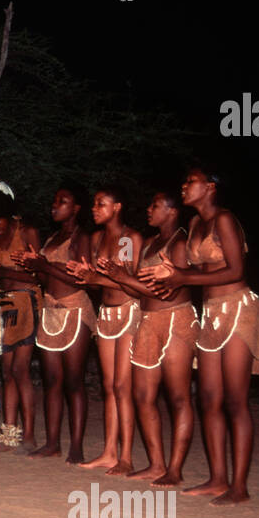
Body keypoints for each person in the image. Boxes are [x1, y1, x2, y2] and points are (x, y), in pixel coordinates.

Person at [141, 169, 259, 504]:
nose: (184, 187)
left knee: (235, 400)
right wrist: (173, 275)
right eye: (183, 182)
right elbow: (199, 274)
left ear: (210, 187)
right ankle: (218, 479)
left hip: (237, 309)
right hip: (212, 313)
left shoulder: (225, 220)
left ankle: (239, 486)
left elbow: (236, 270)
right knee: (208, 399)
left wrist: (181, 275)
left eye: (190, 182)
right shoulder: (197, 225)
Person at [95, 192, 196, 484]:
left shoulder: (179, 243)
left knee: (178, 397)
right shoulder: (152, 243)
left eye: (155, 206)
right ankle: (157, 464)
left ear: (172, 211)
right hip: (148, 320)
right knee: (143, 396)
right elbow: (139, 286)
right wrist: (103, 278)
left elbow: (167, 291)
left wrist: (120, 277)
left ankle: (175, 469)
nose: (149, 209)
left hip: (175, 317)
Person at [13, 185, 95, 463]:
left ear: (76, 208)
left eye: (63, 201)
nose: (55, 205)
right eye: (54, 200)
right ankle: (51, 443)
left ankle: (76, 446)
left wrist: (43, 265)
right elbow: (46, 280)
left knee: (74, 381)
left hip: (74, 310)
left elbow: (80, 278)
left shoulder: (82, 237)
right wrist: (34, 267)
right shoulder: (52, 239)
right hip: (50, 310)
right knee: (52, 381)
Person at [67, 188, 143, 476]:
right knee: (109, 386)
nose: (95, 209)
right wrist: (85, 275)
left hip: (128, 312)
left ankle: (126, 457)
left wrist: (94, 277)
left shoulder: (128, 238)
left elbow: (128, 284)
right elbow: (99, 284)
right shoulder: (98, 239)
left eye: (102, 204)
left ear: (118, 207)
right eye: (95, 204)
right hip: (106, 314)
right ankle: (110, 452)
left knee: (123, 387)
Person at [0, 190, 41, 451]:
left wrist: (7, 273)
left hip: (27, 303)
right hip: (3, 306)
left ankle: (29, 434)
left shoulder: (27, 233)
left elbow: (40, 277)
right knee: (6, 372)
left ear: (9, 215)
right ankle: (10, 432)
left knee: (21, 371)